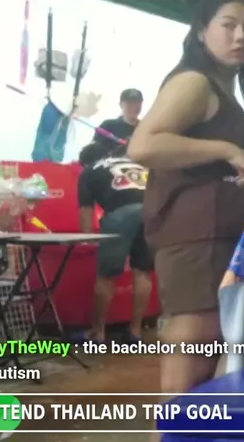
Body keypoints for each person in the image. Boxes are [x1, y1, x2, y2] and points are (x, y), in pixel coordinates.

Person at [128, 0, 244, 394]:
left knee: (209, 366)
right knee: (189, 369)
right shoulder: (194, 82)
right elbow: (143, 146)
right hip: (196, 239)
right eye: (229, 25)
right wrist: (227, 150)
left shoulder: (222, 89)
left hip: (216, 237)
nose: (240, 37)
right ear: (202, 32)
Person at [76, 142, 153, 343]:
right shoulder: (133, 163)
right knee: (143, 271)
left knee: (106, 276)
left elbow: (86, 211)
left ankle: (97, 332)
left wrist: (87, 240)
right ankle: (135, 332)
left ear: (84, 163)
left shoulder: (88, 171)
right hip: (152, 211)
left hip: (121, 214)